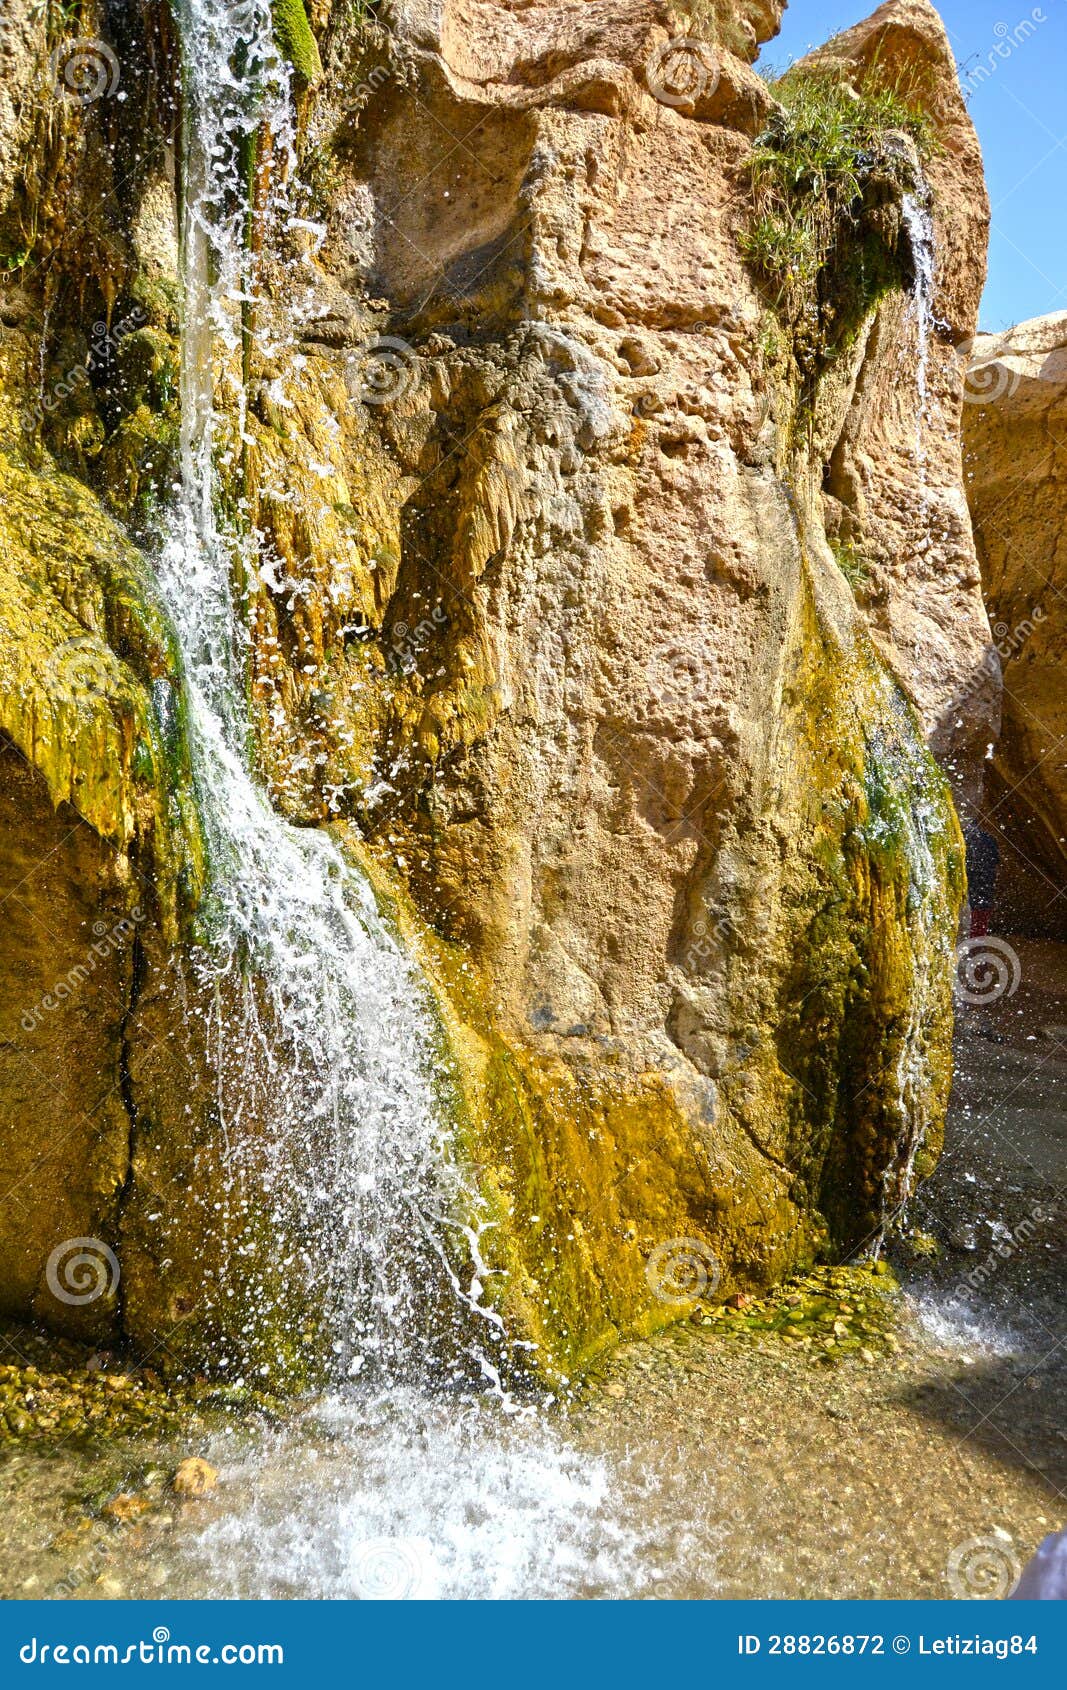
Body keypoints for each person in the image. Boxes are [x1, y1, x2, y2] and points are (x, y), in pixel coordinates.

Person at [963, 818, 1001, 939]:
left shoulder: (964, 837)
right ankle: (976, 945)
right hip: (983, 884)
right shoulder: (988, 839)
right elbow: (996, 862)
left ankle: (973, 945)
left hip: (973, 882)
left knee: (974, 908)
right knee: (981, 910)